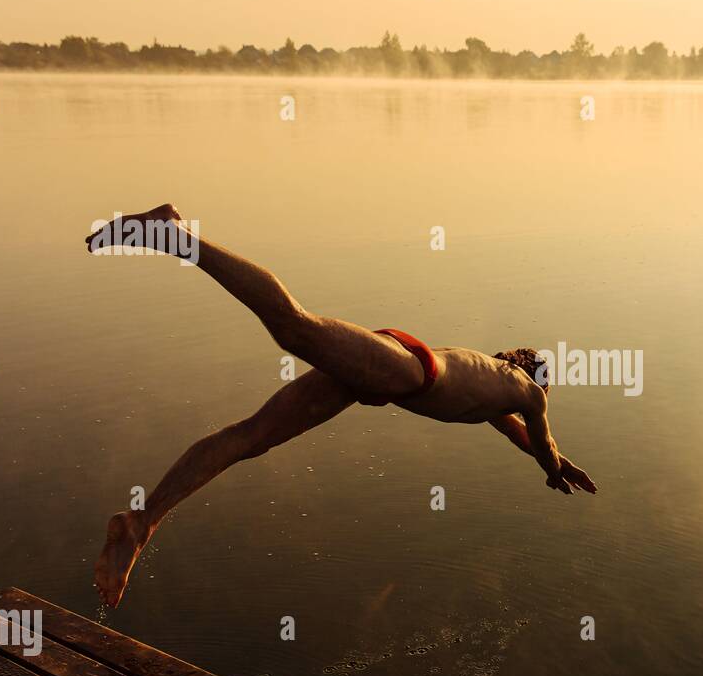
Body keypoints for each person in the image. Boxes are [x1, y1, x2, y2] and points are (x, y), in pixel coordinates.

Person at [86, 205, 596, 608]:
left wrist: (553, 461)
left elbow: (522, 437)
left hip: (385, 379)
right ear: (537, 381)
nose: (539, 404)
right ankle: (176, 235)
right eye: (543, 396)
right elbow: (541, 438)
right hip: (408, 369)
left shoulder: (496, 394)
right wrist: (552, 469)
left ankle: (143, 521)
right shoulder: (523, 389)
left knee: (252, 438)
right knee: (294, 326)